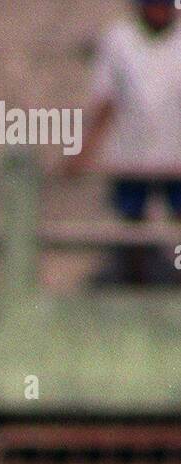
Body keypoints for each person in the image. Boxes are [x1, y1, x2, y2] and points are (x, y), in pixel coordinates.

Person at [75, 0, 181, 285]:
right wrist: (84, 152)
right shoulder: (118, 39)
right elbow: (105, 99)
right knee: (132, 225)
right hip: (131, 155)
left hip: (175, 155)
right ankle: (136, 287)